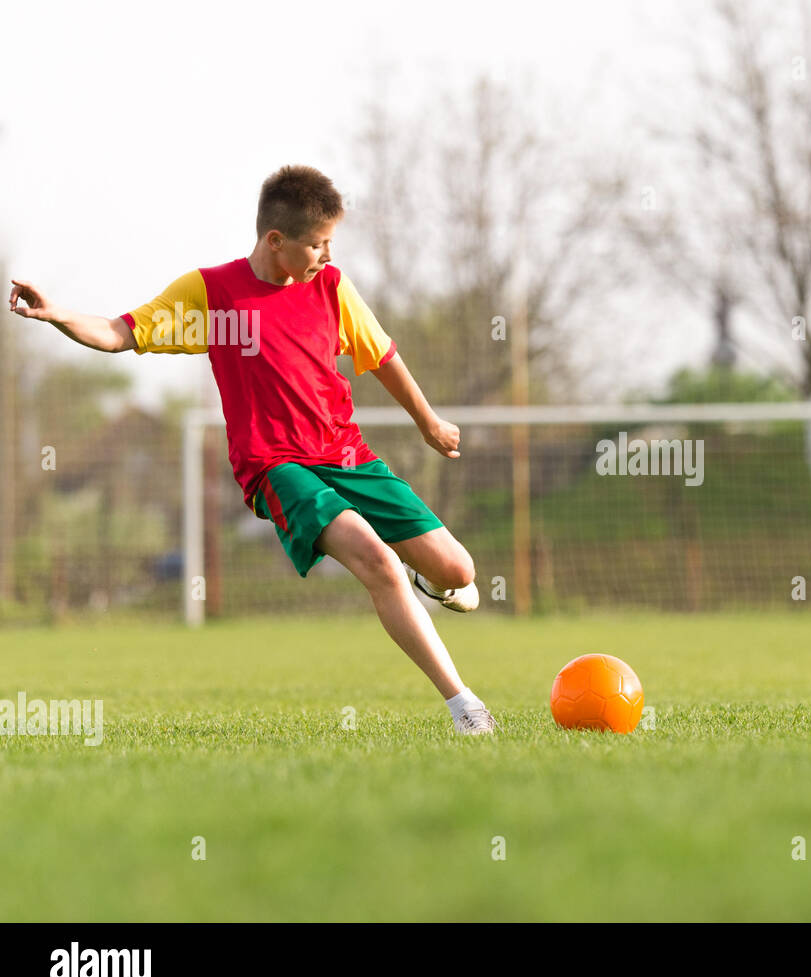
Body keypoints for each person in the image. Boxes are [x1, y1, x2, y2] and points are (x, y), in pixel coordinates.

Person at [8, 164, 498, 735]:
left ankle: (430, 580)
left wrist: (429, 422)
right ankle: (464, 706)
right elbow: (121, 332)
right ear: (275, 240)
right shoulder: (212, 293)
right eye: (317, 243)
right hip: (277, 465)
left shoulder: (332, 287)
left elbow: (382, 354)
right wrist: (58, 314)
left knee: (458, 567)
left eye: (330, 242)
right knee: (378, 563)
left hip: (346, 454)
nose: (325, 254)